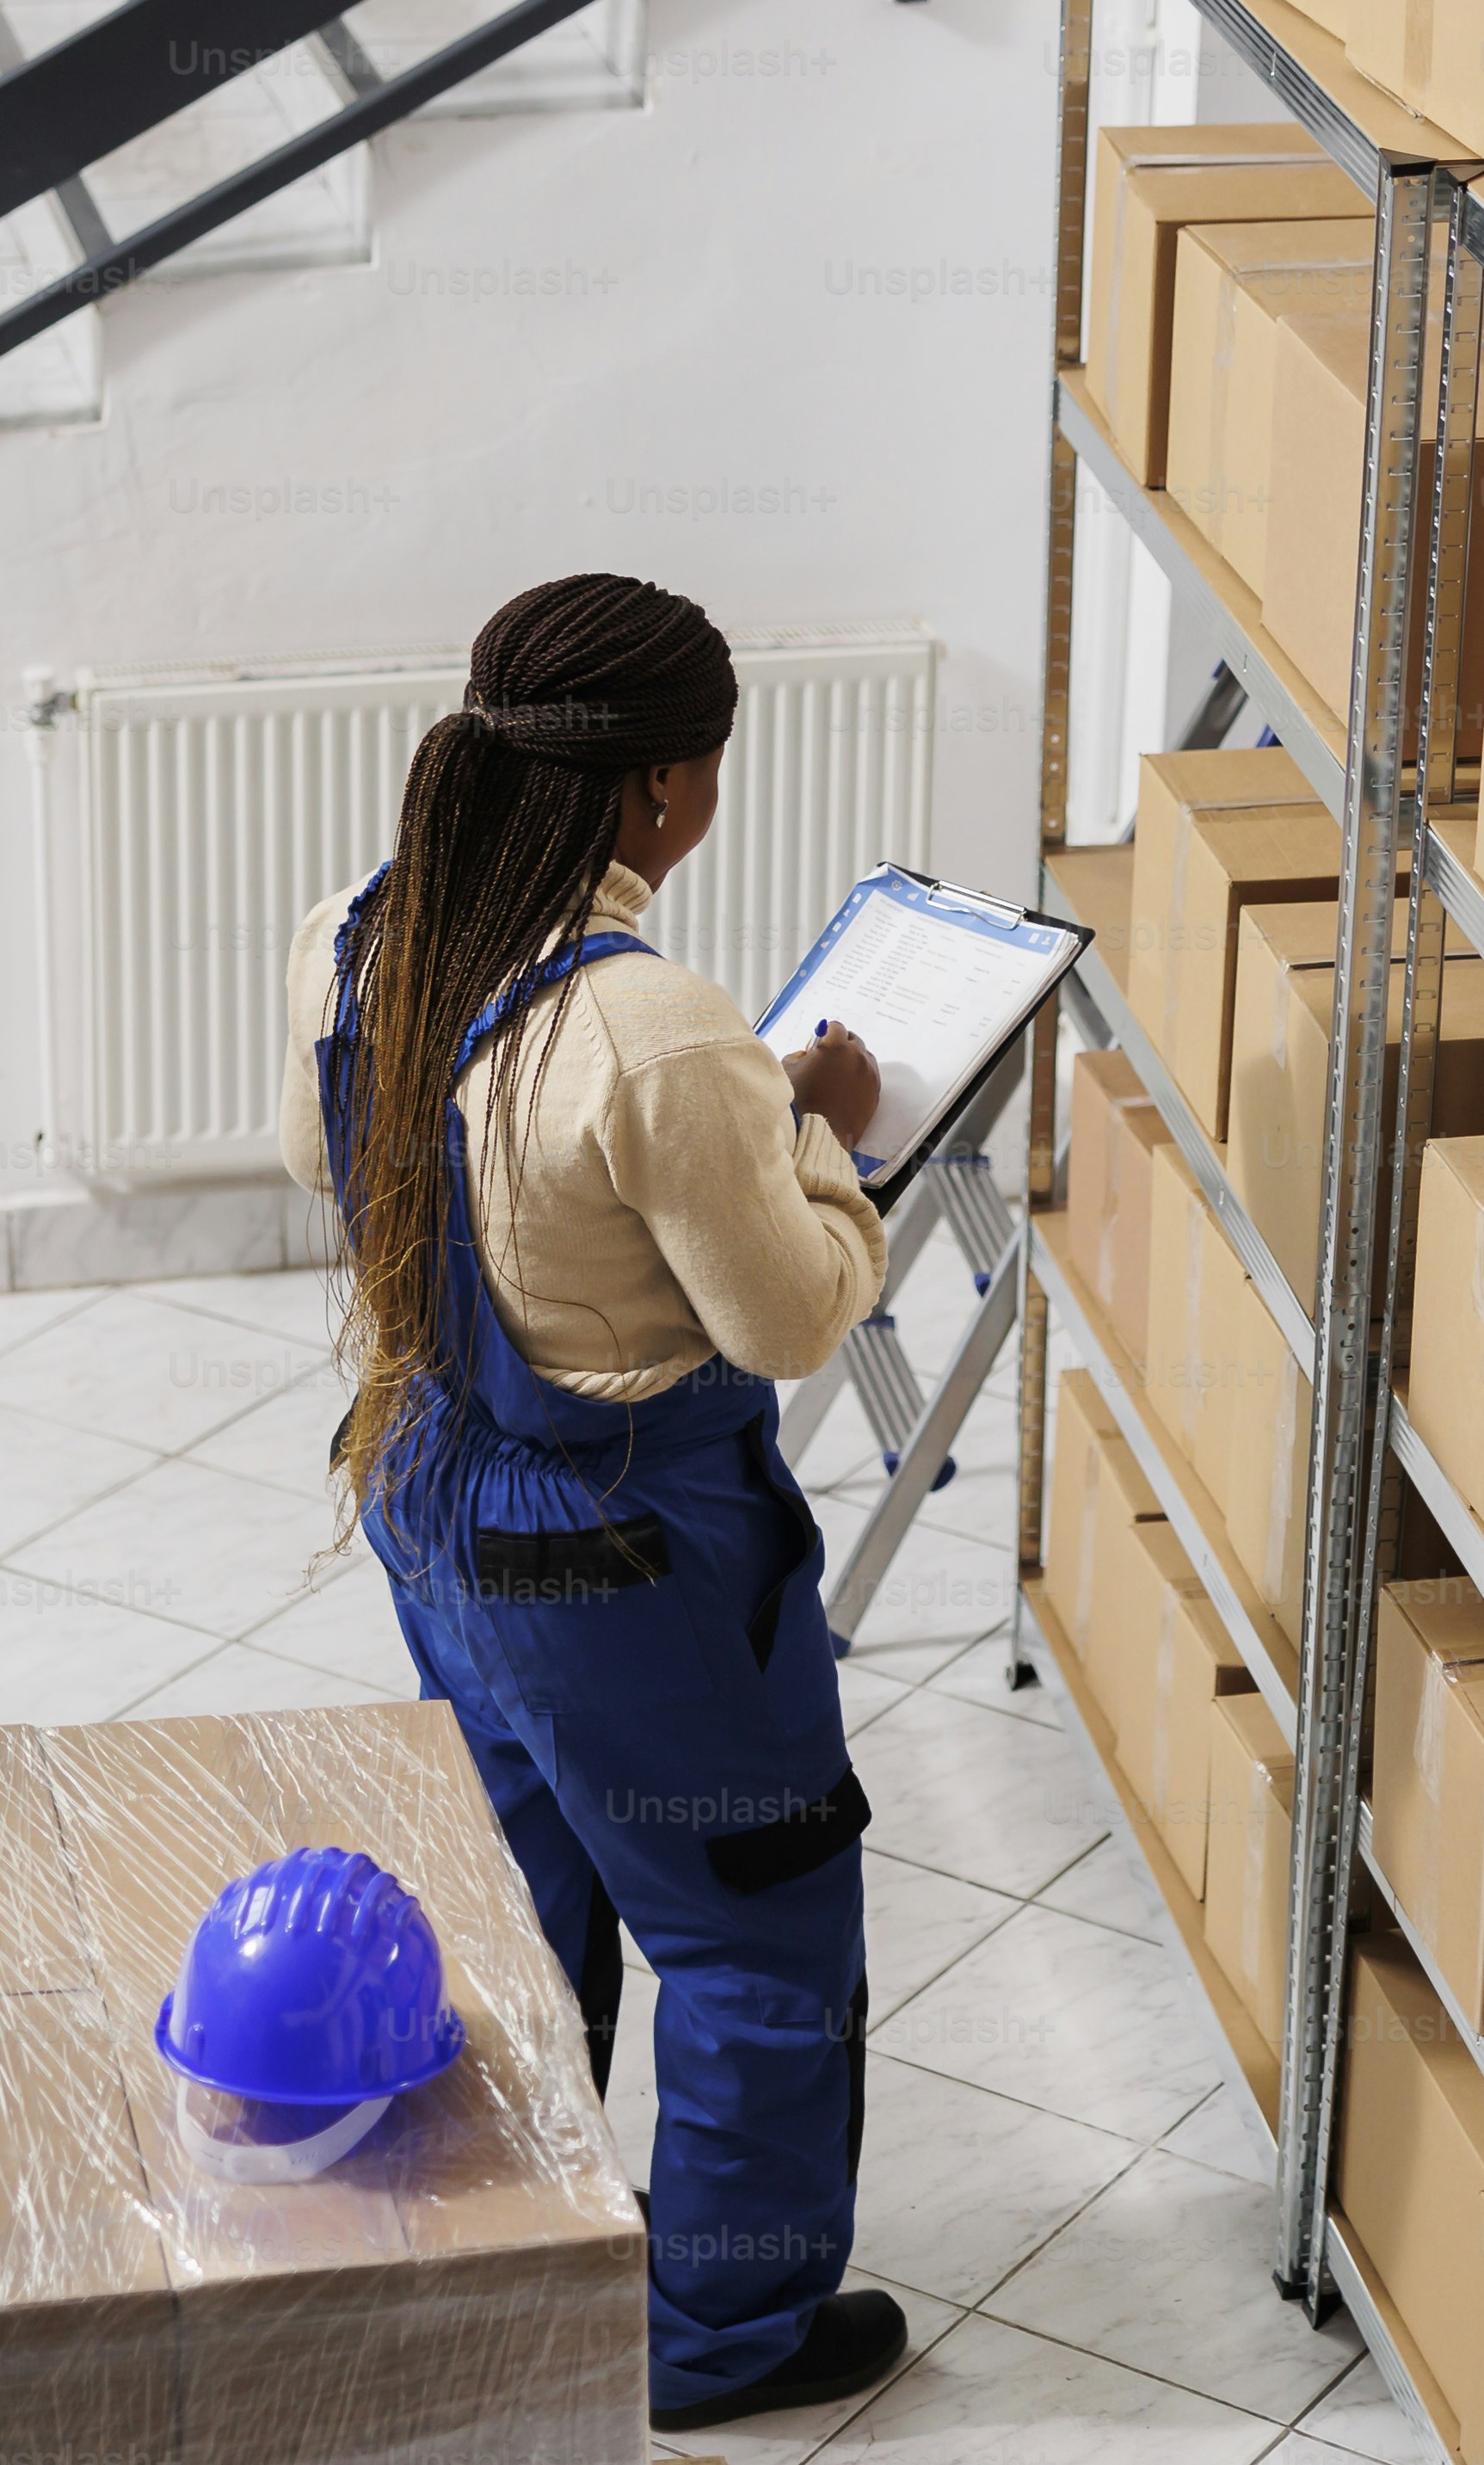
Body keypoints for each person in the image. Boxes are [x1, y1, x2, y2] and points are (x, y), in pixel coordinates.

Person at [277, 571, 903, 2431]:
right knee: (750, 1939)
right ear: (656, 793)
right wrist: (818, 1140)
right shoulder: (654, 1030)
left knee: (521, 1894)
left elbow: (377, 1164)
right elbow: (784, 1318)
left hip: (424, 1483)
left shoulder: (358, 936)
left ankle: (496, 2279)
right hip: (618, 1554)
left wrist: (719, 1122)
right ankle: (727, 2342)